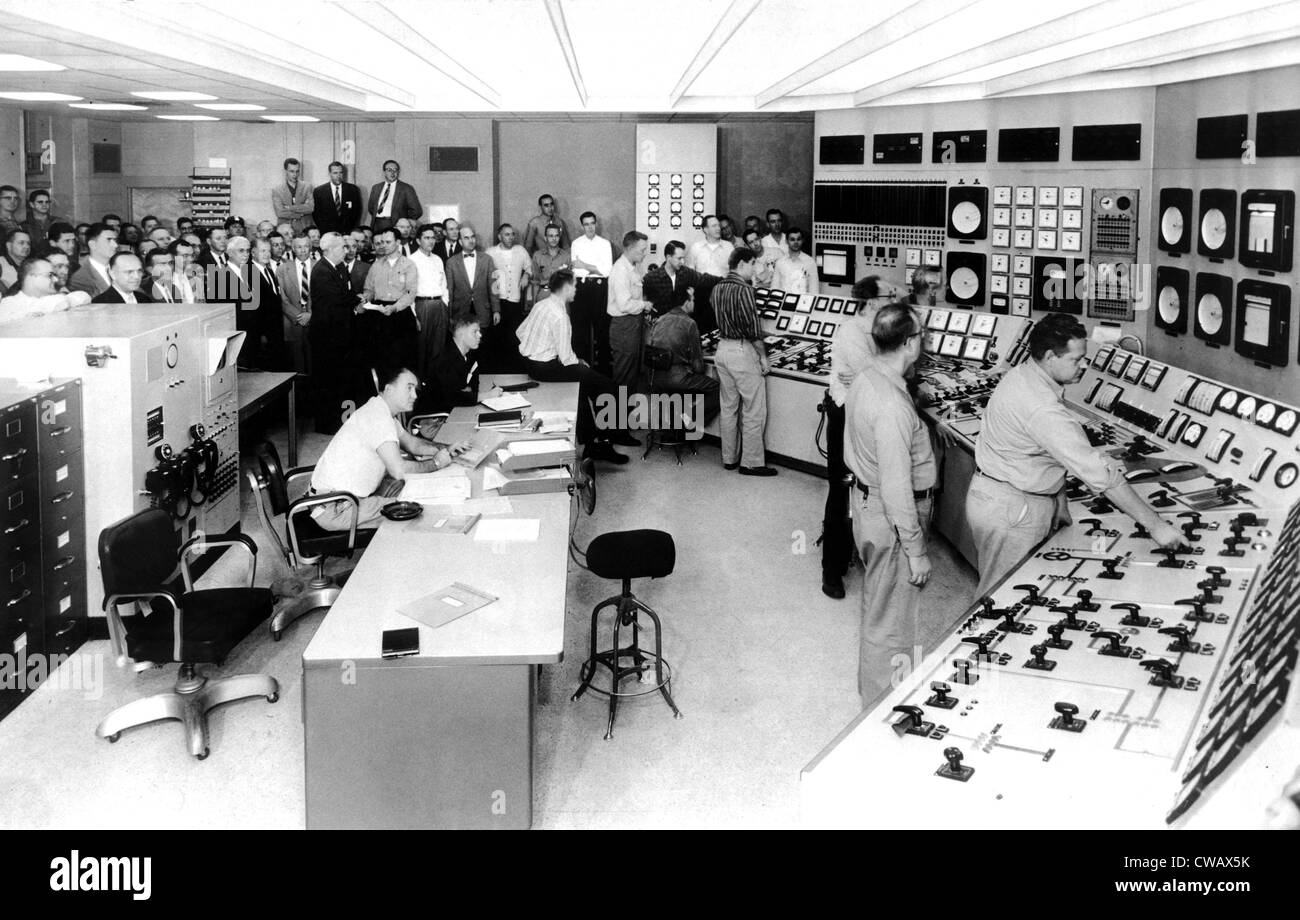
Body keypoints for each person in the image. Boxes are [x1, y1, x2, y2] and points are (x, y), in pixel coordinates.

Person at [969, 313, 1185, 596]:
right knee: (1000, 597)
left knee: (1021, 591)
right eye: (1076, 359)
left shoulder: (1023, 373)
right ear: (1049, 357)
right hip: (1013, 512)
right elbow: (1100, 475)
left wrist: (1057, 502)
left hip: (997, 495)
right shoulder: (1042, 408)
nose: (1084, 365)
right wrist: (1157, 526)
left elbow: (1041, 450)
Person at [845, 302, 936, 707]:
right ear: (911, 343)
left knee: (880, 609)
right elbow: (898, 488)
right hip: (892, 518)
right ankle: (882, 710)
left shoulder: (867, 377)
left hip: (866, 506)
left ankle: (875, 695)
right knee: (892, 625)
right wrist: (916, 551)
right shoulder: (894, 407)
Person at [309, 363, 468, 531]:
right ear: (389, 389)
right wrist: (436, 463)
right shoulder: (378, 418)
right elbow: (398, 470)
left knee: (419, 487)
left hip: (346, 497)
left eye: (415, 389)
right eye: (409, 388)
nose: (414, 395)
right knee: (421, 508)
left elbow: (413, 444)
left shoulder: (381, 412)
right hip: (337, 508)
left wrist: (445, 448)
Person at [820, 276, 891, 600]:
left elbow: (886, 372)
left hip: (872, 415)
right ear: (872, 301)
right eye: (888, 295)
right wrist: (875, 372)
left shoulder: (882, 330)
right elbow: (878, 373)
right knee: (842, 488)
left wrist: (875, 372)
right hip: (847, 414)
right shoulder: (851, 331)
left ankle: (865, 555)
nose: (893, 299)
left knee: (871, 488)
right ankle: (831, 569)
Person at [516, 270, 628, 465]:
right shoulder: (561, 315)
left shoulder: (541, 304)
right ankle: (606, 440)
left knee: (583, 388)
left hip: (531, 364)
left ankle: (593, 443)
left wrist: (542, 349)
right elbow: (567, 359)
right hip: (546, 368)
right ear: (566, 287)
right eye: (575, 286)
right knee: (609, 387)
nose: (576, 289)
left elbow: (520, 332)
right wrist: (580, 363)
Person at [711, 248, 775, 476]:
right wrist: (764, 357)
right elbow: (753, 330)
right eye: (752, 264)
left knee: (728, 408)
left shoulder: (717, 288)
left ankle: (729, 458)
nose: (754, 269)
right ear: (742, 264)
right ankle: (752, 463)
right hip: (741, 350)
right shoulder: (745, 290)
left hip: (722, 350)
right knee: (753, 409)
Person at [645, 270, 719, 427]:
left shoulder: (660, 320)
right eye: (692, 299)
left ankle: (674, 422)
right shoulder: (689, 323)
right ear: (686, 302)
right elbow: (698, 366)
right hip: (678, 379)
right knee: (717, 388)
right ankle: (688, 419)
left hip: (655, 380)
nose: (694, 302)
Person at [309, 232, 363, 434]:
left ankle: (340, 421)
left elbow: (347, 292)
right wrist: (358, 300)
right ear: (329, 249)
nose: (346, 250)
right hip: (327, 338)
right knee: (328, 382)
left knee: (341, 381)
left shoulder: (339, 268)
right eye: (342, 247)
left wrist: (355, 297)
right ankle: (327, 425)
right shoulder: (321, 271)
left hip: (341, 335)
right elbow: (337, 298)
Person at [361, 226, 419, 371]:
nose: (384, 246)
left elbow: (410, 293)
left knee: (402, 359)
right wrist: (364, 299)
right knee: (380, 358)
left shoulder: (409, 265)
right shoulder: (375, 266)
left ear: (398, 242)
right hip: (379, 316)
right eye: (381, 242)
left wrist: (394, 307)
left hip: (400, 315)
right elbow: (369, 289)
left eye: (388, 242)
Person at [607, 230, 651, 406]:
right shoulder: (620, 270)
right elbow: (624, 305)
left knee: (633, 374)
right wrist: (644, 305)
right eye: (642, 250)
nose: (645, 253)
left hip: (633, 325)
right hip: (624, 326)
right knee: (624, 375)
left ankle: (627, 421)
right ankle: (618, 425)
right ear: (630, 248)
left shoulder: (633, 267)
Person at [569, 211, 614, 368]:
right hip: (581, 287)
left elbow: (607, 271)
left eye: (592, 223)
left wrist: (586, 266)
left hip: (600, 289)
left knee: (602, 329)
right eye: (586, 224)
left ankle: (603, 369)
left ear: (596, 224)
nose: (590, 227)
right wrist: (595, 268)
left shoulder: (605, 243)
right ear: (582, 226)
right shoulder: (576, 243)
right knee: (580, 330)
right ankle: (582, 368)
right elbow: (577, 270)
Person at [484, 223, 532, 371]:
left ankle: (513, 369)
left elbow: (530, 267)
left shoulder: (520, 250)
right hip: (498, 301)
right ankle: (499, 369)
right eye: (507, 234)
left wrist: (526, 275)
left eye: (512, 234)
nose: (510, 237)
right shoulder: (491, 252)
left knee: (514, 335)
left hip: (515, 301)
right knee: (498, 335)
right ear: (499, 236)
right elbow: (486, 275)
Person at [445, 224, 499, 350]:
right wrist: (449, 315)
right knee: (462, 346)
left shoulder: (487, 259)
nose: (471, 240)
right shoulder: (452, 262)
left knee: (484, 346)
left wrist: (496, 309)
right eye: (466, 238)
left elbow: (493, 286)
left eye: (473, 237)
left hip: (482, 310)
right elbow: (449, 290)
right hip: (461, 310)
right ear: (460, 241)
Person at [409, 222, 449, 382]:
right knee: (421, 348)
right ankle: (421, 385)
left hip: (439, 305)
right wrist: (414, 316)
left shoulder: (438, 259)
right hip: (421, 306)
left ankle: (435, 385)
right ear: (418, 241)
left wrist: (444, 304)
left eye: (433, 238)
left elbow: (444, 284)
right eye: (426, 238)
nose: (431, 241)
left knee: (438, 347)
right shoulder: (411, 260)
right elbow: (409, 291)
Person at [0, 257, 91, 327]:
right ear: (31, 278)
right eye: (50, 275)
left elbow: (84, 296)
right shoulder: (9, 304)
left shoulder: (57, 298)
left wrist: (62, 299)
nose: (55, 279)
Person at [278, 235, 315, 376]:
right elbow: (282, 298)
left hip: (315, 320)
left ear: (310, 247)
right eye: (299, 247)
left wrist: (311, 314)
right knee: (296, 364)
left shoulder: (320, 266)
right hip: (292, 322)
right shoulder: (283, 269)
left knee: (315, 361)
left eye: (306, 246)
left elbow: (323, 297)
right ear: (293, 249)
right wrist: (299, 316)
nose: (303, 250)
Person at [429, 315, 482, 412]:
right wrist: (485, 396)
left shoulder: (470, 356)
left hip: (458, 410)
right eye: (475, 332)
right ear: (461, 334)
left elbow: (474, 387)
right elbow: (451, 398)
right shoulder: (444, 360)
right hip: (439, 418)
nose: (480, 335)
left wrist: (466, 395)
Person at [641, 239, 700, 316]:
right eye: (679, 258)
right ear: (668, 257)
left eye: (683, 258)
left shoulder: (686, 274)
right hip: (659, 324)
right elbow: (643, 301)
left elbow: (705, 279)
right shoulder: (651, 277)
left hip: (680, 322)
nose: (683, 262)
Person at [366, 160, 421, 235]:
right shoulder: (376, 188)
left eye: (395, 170)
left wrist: (403, 221)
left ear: (398, 172)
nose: (392, 173)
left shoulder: (406, 188)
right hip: (377, 224)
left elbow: (417, 211)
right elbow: (371, 208)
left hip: (395, 225)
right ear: (384, 172)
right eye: (389, 170)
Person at [313, 161, 362, 234]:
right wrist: (324, 229)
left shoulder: (352, 190)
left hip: (347, 232)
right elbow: (316, 214)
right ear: (329, 174)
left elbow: (357, 211)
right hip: (327, 233)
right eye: (335, 173)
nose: (338, 176)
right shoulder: (319, 191)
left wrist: (351, 229)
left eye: (341, 172)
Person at [69, 222, 116, 297]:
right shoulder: (81, 279)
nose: (115, 245)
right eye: (109, 240)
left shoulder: (118, 269)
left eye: (115, 240)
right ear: (92, 244)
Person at [770, 226, 819, 295]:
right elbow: (774, 289)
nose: (796, 242)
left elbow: (814, 291)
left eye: (798, 239)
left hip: (803, 303)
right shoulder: (780, 263)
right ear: (787, 241)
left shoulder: (810, 262)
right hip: (784, 302)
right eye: (792, 239)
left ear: (802, 240)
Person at [529, 222, 570, 304]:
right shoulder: (538, 256)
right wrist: (534, 304)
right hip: (543, 295)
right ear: (545, 238)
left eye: (556, 235)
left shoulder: (566, 256)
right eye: (551, 236)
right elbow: (535, 282)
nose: (554, 239)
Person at [273, 157, 316, 235]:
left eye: (297, 171)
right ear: (285, 171)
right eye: (291, 171)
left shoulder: (307, 186)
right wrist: (301, 213)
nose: (295, 175)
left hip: (305, 228)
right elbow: (280, 212)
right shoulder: (277, 190)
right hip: (285, 229)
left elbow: (310, 208)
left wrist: (290, 208)